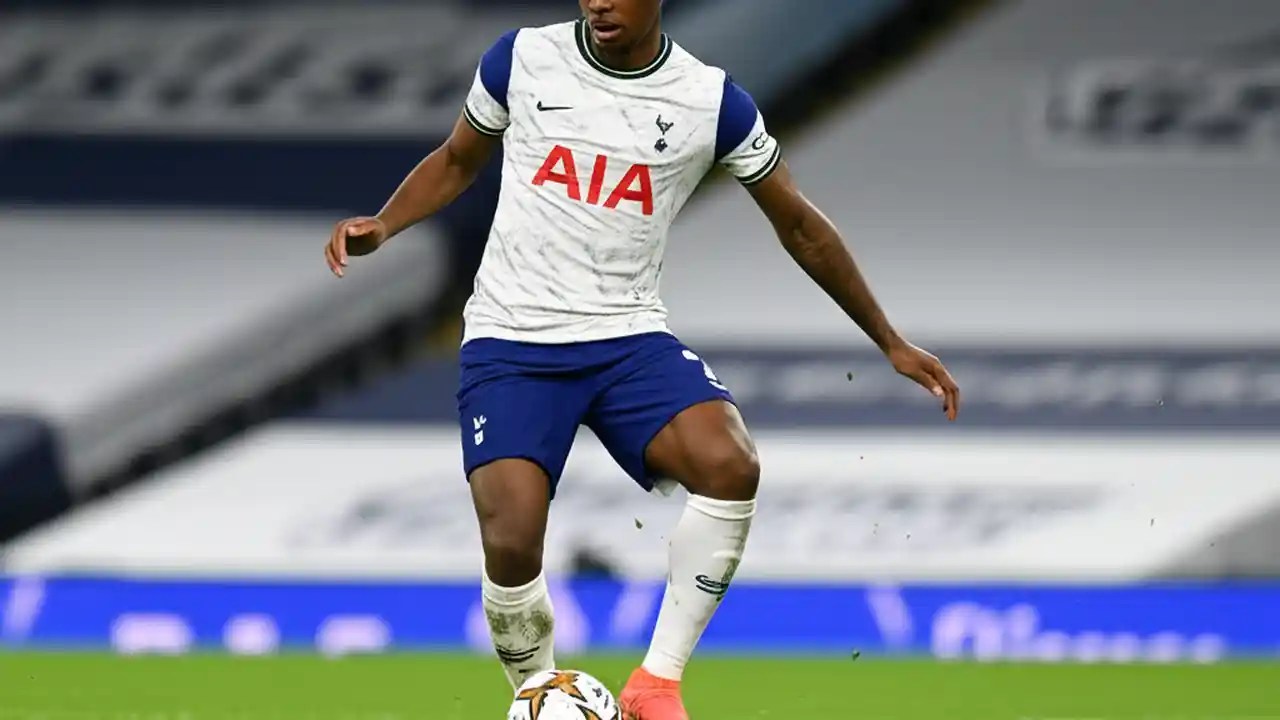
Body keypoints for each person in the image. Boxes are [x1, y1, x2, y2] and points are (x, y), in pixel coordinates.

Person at [323, 1, 960, 717]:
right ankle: (540, 698)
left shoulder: (710, 101)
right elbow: (457, 159)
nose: (598, 1)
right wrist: (385, 222)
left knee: (730, 463)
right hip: (513, 338)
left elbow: (801, 227)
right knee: (512, 541)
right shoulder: (522, 59)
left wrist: (889, 341)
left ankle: (656, 683)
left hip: (625, 337)